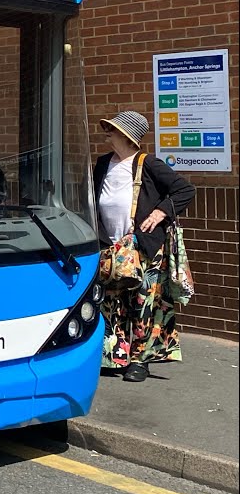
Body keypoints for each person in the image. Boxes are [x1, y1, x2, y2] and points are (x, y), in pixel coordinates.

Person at [93, 110, 194, 382]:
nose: (107, 133)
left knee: (143, 304)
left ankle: (140, 360)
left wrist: (160, 213)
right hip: (112, 248)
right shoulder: (103, 163)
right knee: (113, 302)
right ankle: (116, 357)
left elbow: (185, 190)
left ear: (127, 136)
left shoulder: (148, 163)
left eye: (112, 129)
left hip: (143, 248)